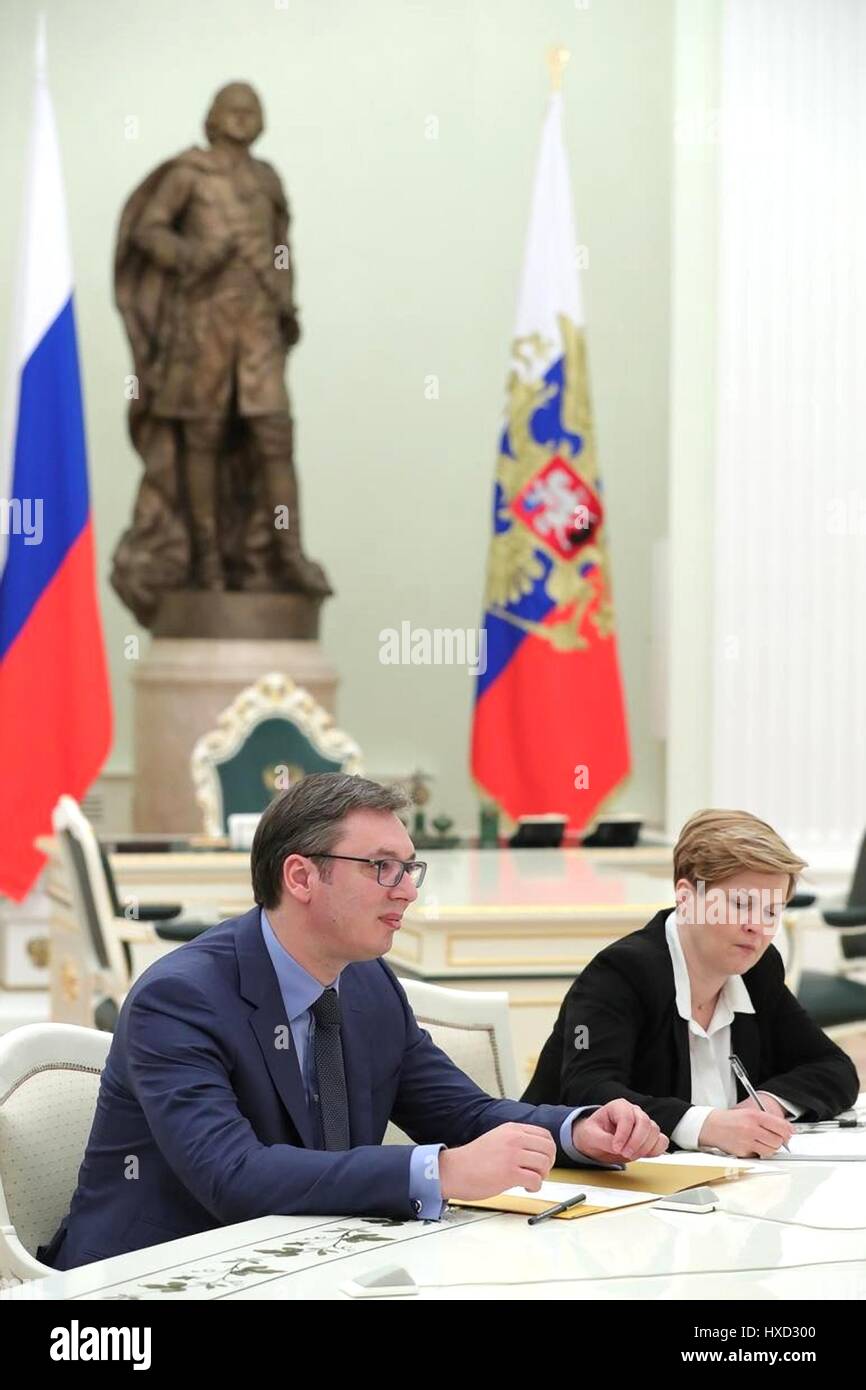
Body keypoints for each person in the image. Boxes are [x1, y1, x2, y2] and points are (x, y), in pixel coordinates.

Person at [41, 774, 667, 1269]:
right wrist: (443, 1171)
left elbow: (463, 1115)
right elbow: (233, 1176)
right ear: (301, 875)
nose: (407, 891)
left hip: (310, 1265)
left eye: (410, 869)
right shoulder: (179, 998)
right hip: (149, 1282)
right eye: (382, 868)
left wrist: (578, 1131)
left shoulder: (367, 983)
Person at [523, 809, 859, 1157]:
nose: (757, 927)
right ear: (686, 897)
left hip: (715, 1191)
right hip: (573, 1188)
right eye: (742, 905)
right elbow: (587, 1091)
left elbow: (834, 1068)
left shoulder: (758, 970)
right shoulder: (618, 973)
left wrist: (767, 1106)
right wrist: (707, 1126)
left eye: (772, 911)